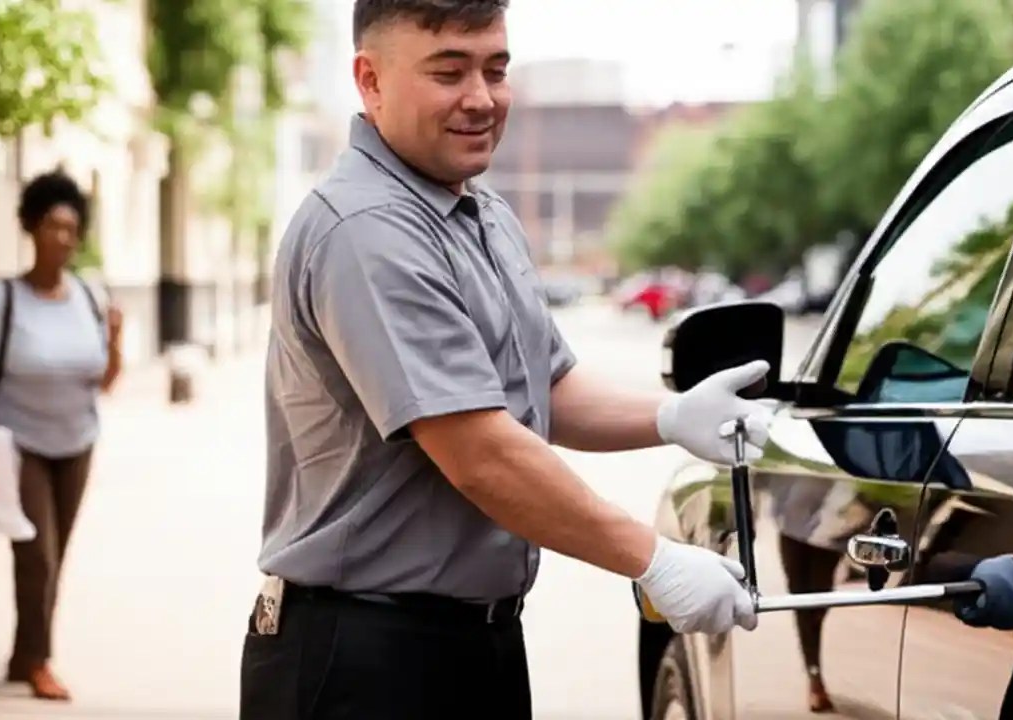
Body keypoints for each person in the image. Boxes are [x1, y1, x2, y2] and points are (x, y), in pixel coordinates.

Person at [237, 1, 776, 718]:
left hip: (469, 643)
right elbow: (478, 450)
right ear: (369, 80)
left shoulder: (477, 212)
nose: (481, 99)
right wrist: (653, 558)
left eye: (496, 69)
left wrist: (671, 416)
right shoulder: (368, 231)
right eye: (449, 71)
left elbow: (544, 385)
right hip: (363, 656)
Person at [0, 169, 123, 701]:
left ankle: (20, 652)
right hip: (20, 444)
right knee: (38, 556)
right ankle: (39, 661)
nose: (64, 237)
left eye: (72, 229)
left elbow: (104, 380)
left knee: (55, 557)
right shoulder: (3, 298)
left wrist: (117, 341)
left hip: (77, 441)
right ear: (32, 227)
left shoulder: (88, 297)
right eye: (54, 225)